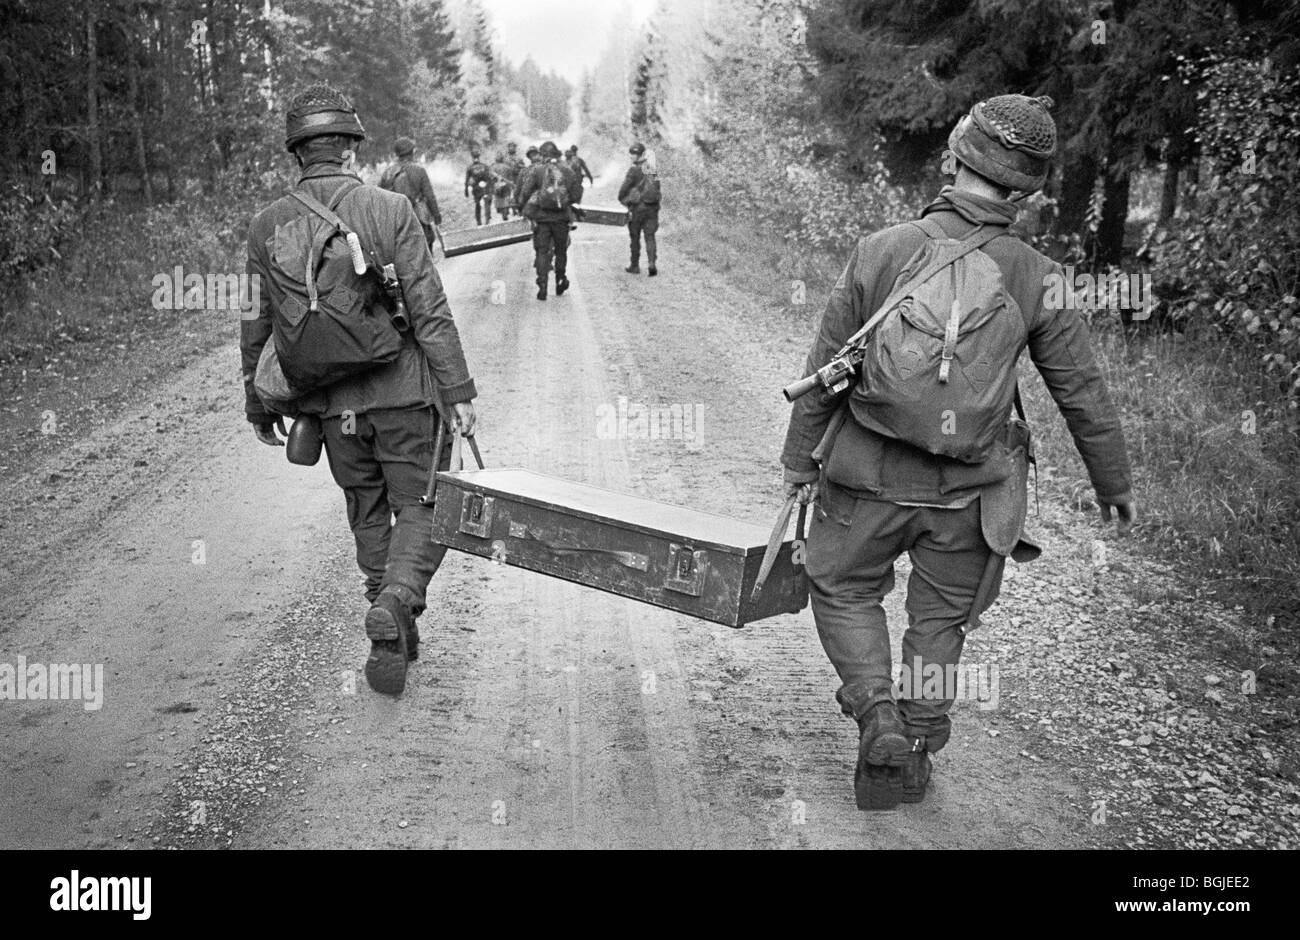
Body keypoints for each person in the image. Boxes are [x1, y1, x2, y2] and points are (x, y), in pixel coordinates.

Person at [780, 94, 1136, 810]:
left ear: (957, 157)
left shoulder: (881, 250)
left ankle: (876, 712)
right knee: (939, 619)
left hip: (864, 478)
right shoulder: (1038, 275)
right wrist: (1112, 481)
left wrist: (797, 463)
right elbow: (1082, 390)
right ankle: (915, 735)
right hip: (970, 493)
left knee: (844, 588)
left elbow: (826, 367)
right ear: (1027, 186)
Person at [242, 85, 479, 697]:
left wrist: (256, 401)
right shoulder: (390, 208)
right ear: (350, 148)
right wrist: (457, 388)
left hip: (328, 407)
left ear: (297, 154)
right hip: (404, 394)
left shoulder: (265, 224)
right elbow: (429, 308)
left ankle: (388, 617)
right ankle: (397, 603)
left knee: (366, 511)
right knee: (424, 507)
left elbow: (257, 321)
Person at [515, 140, 581, 302]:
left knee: (542, 251)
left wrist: (525, 208)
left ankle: (542, 286)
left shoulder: (537, 170)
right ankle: (560, 280)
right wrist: (564, 203)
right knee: (560, 251)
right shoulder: (567, 170)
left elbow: (525, 192)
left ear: (542, 155)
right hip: (561, 219)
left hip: (542, 219)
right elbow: (576, 194)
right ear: (557, 154)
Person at [379, 136, 442, 250]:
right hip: (419, 218)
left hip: (397, 222)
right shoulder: (419, 171)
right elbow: (429, 196)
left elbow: (380, 200)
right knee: (426, 249)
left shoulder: (387, 174)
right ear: (412, 152)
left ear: (397, 154)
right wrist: (437, 217)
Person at [618, 143, 661, 276]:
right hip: (652, 208)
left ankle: (634, 265)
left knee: (635, 237)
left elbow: (623, 190)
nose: (632, 156)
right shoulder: (651, 168)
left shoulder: (634, 170)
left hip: (637, 209)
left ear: (638, 155)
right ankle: (651, 263)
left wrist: (624, 200)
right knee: (650, 236)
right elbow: (657, 187)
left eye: (633, 154)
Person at [464, 147, 495, 227]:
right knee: (482, 203)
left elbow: (489, 177)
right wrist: (466, 189)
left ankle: (483, 221)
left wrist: (466, 190)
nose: (476, 158)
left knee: (482, 203)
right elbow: (467, 179)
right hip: (479, 187)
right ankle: (482, 220)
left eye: (476, 157)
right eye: (475, 157)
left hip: (481, 187)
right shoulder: (482, 166)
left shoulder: (474, 167)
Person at [490, 150, 514, 223]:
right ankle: (504, 211)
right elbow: (511, 178)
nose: (498, 157)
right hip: (501, 185)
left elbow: (490, 177)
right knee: (503, 198)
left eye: (499, 155)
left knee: (502, 198)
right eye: (498, 155)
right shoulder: (505, 167)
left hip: (501, 185)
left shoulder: (494, 166)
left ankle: (504, 211)